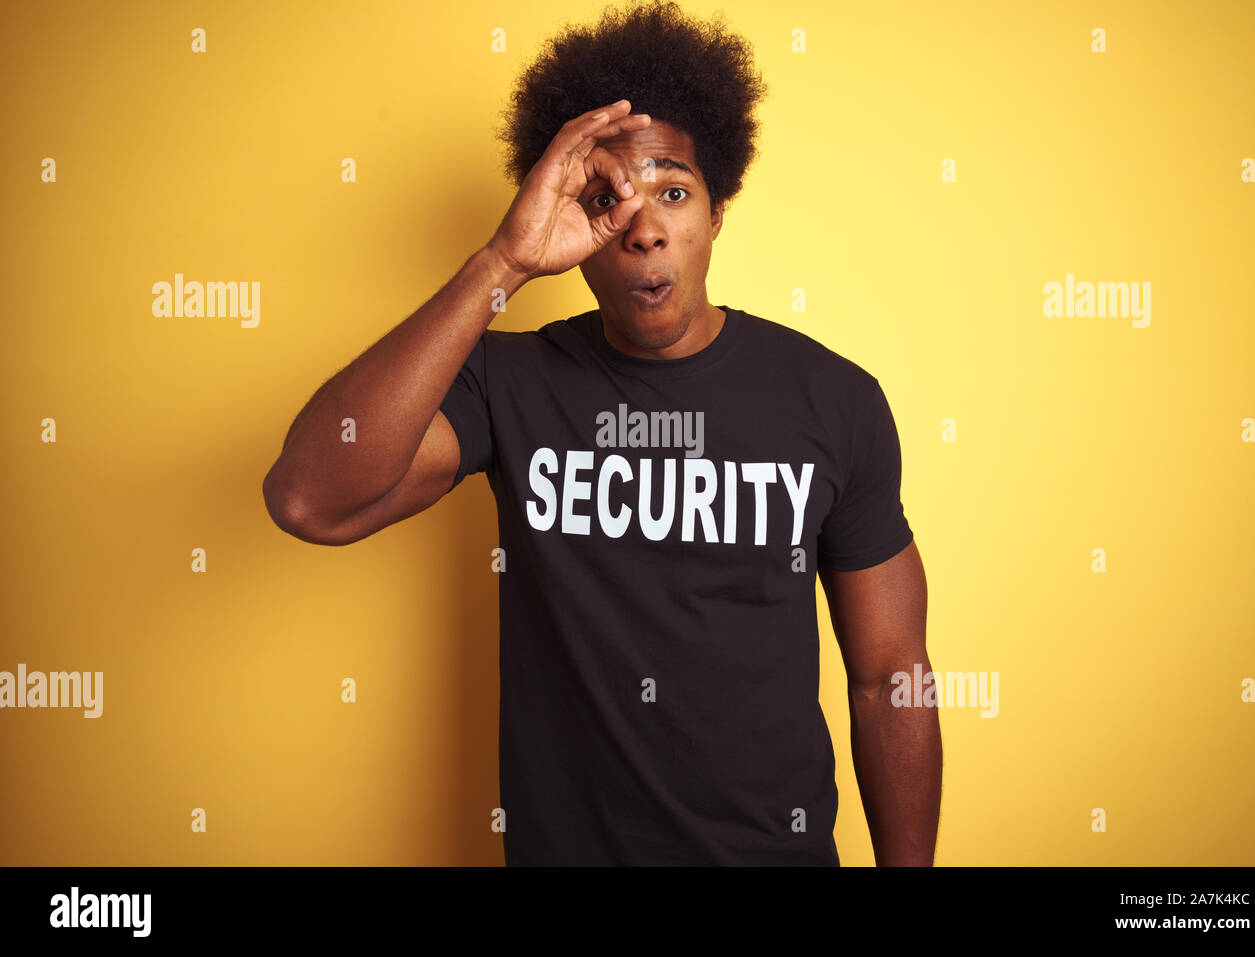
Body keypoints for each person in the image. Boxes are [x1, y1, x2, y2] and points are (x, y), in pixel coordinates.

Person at [262, 0, 939, 866]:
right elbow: (309, 497)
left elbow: (891, 677)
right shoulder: (506, 384)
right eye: (606, 199)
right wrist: (502, 262)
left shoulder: (833, 401)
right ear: (568, 225)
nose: (646, 227)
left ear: (716, 211)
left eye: (674, 192)